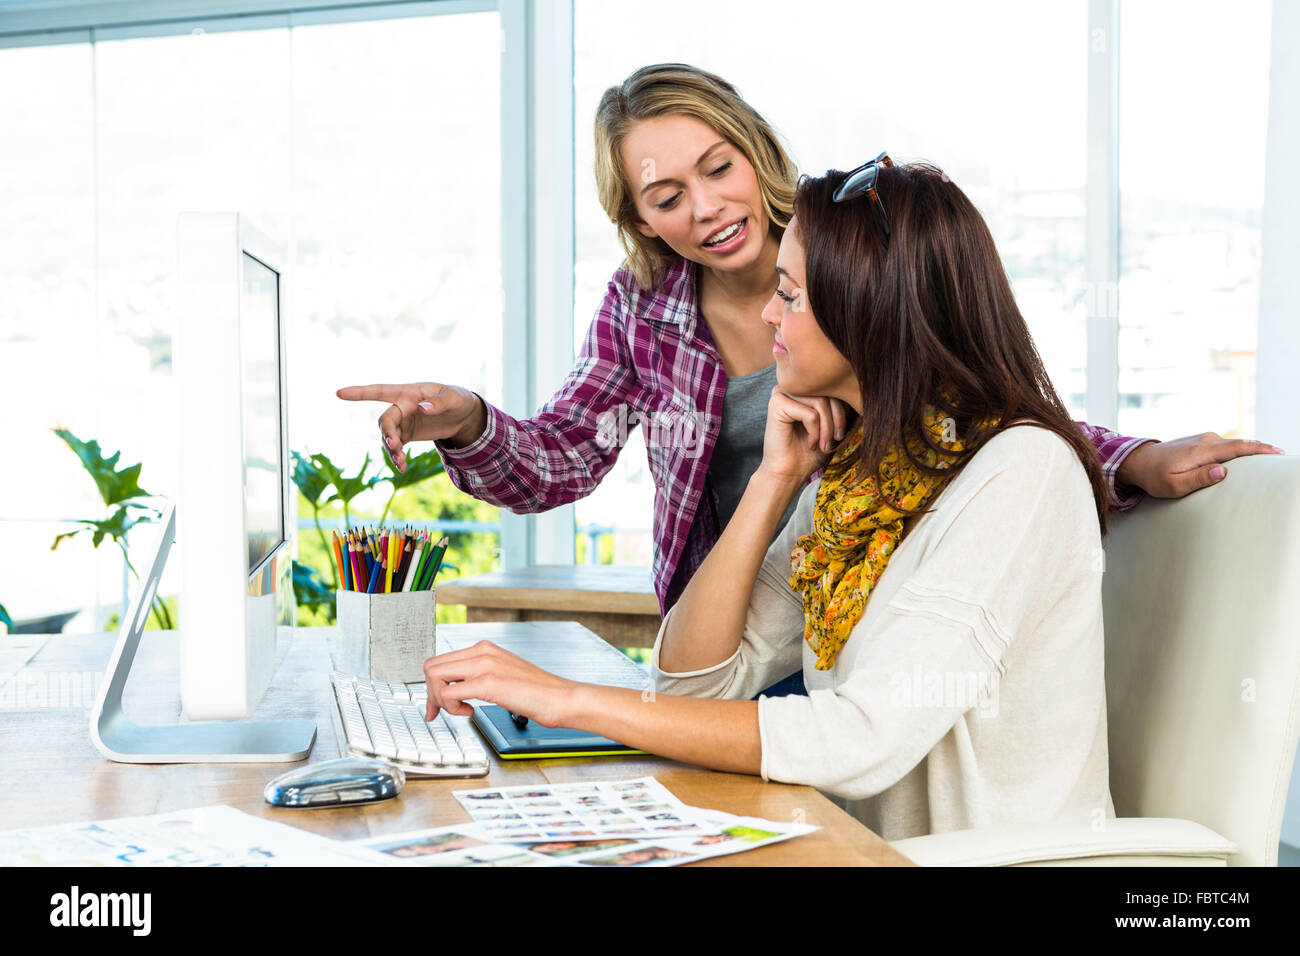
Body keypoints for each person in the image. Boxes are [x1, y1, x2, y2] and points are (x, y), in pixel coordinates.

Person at [337, 63, 1280, 621]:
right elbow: (559, 463)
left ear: (753, 149)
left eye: (719, 167)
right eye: (667, 197)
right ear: (640, 217)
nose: (705, 207)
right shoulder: (643, 306)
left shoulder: (849, 248)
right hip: (722, 631)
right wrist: (464, 421)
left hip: (859, 631)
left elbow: (979, 407)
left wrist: (1136, 460)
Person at [420, 159, 1122, 840]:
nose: (765, 314)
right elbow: (691, 682)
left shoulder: (1019, 471)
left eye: (788, 294)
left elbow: (861, 735)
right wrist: (773, 483)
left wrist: (564, 698)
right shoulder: (854, 482)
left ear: (864, 310)